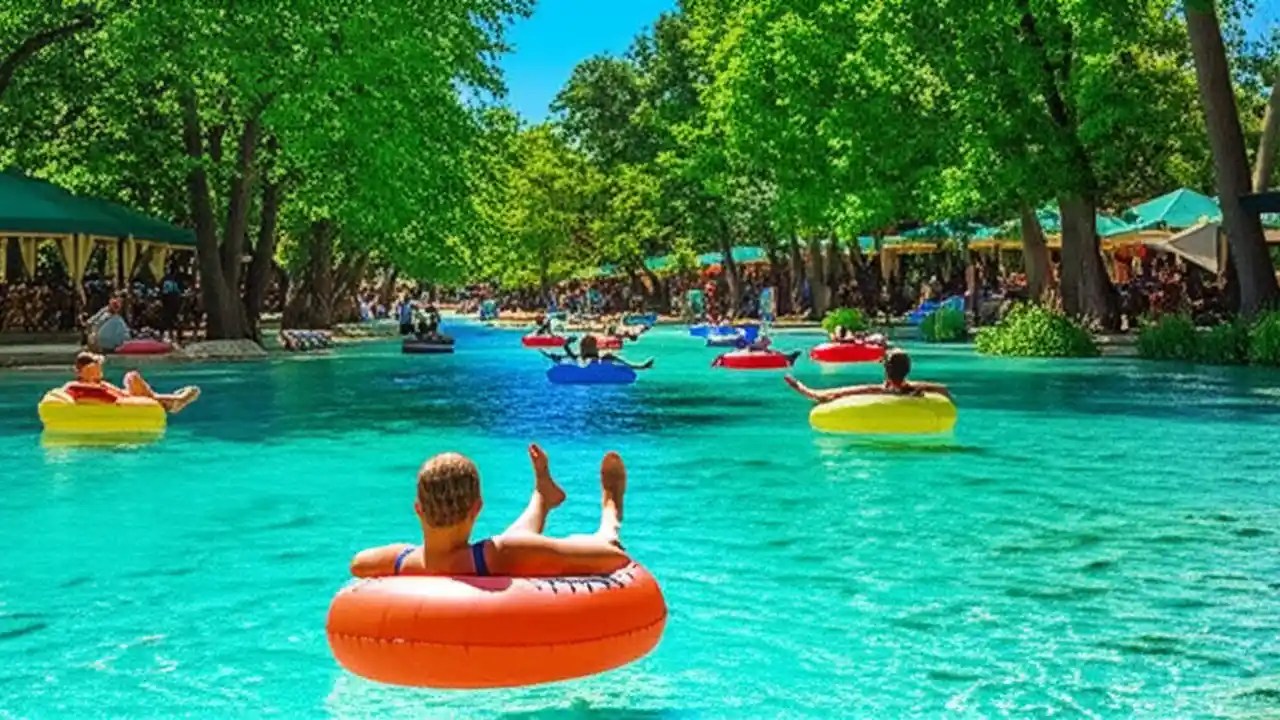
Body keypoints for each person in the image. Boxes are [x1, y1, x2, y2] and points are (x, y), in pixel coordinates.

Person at [349, 445, 630, 578]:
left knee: (513, 547)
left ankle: (588, 504)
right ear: (477, 509)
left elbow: (358, 563)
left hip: (469, 557)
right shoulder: (503, 552)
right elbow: (615, 558)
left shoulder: (400, 561)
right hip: (494, 559)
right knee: (513, 547)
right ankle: (609, 520)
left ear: (418, 510)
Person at [784, 349, 952, 403]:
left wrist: (798, 386)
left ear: (885, 370)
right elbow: (945, 391)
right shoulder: (915, 389)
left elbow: (824, 396)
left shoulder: (876, 391)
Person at [59, 351, 200, 412]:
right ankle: (176, 401)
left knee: (131, 377)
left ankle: (173, 402)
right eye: (97, 367)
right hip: (123, 401)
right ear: (88, 369)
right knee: (133, 377)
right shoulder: (82, 387)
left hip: (123, 397)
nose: (100, 370)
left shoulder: (95, 384)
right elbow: (118, 398)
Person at [560, 335, 654, 370]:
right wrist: (567, 343)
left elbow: (568, 351)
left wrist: (567, 343)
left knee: (608, 356)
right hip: (588, 367)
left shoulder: (603, 358)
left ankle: (639, 367)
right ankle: (640, 367)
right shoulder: (580, 358)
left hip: (596, 367)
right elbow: (568, 351)